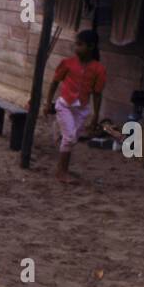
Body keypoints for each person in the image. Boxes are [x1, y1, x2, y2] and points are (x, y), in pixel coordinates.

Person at [46, 28, 106, 184]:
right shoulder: (67, 63)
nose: (76, 48)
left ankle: (59, 129)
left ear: (91, 47)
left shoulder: (98, 69)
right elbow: (54, 83)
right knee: (70, 137)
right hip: (65, 105)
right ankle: (61, 171)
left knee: (72, 139)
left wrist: (95, 116)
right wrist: (48, 103)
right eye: (76, 44)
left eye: (80, 45)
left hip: (82, 109)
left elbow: (97, 94)